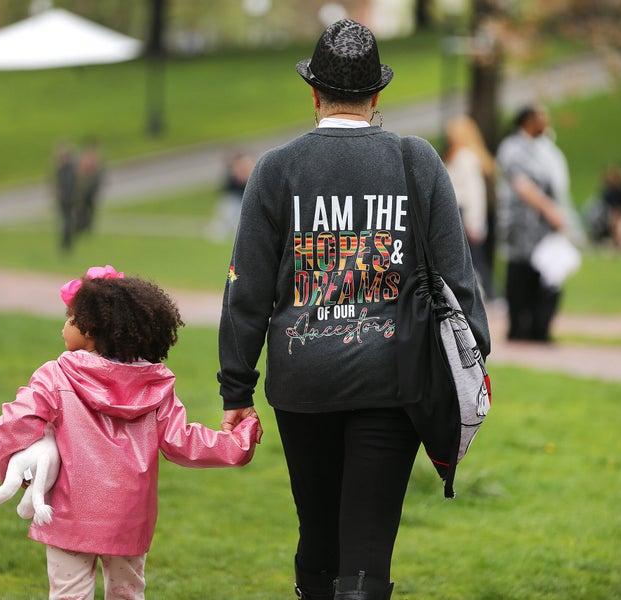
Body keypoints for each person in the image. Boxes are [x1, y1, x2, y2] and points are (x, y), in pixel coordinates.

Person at [216, 20, 489, 600]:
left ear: (314, 94)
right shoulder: (419, 162)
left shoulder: (275, 169)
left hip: (301, 378)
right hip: (394, 381)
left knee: (317, 538)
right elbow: (461, 286)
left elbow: (245, 293)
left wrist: (237, 391)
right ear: (377, 96)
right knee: (367, 549)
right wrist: (471, 364)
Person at [0, 265, 259, 600]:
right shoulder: (156, 386)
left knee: (68, 595)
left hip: (69, 515)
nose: (64, 326)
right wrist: (239, 441)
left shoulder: (55, 376)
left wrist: (20, 472)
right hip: (129, 519)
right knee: (128, 594)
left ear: (90, 329)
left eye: (70, 318)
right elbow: (183, 441)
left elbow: (15, 422)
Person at [496, 104, 574, 342]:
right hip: (521, 230)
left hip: (544, 233)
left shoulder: (545, 149)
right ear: (528, 120)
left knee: (548, 278)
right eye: (542, 116)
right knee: (520, 278)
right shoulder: (512, 148)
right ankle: (519, 329)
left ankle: (541, 329)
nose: (546, 121)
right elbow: (522, 185)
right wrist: (551, 210)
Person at [444, 115, 497, 299]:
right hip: (462, 213)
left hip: (463, 213)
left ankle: (489, 296)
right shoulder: (463, 155)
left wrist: (474, 221)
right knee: (475, 259)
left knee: (474, 260)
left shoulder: (465, 158)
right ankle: (488, 295)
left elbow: (474, 193)